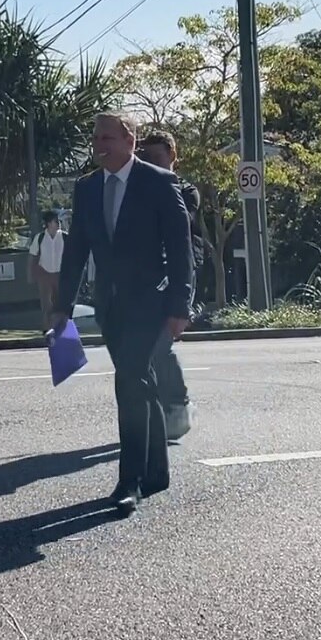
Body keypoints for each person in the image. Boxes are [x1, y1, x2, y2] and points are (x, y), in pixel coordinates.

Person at [51, 112, 194, 514]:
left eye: (108, 137)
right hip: (110, 306)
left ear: (129, 140)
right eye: (95, 137)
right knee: (140, 382)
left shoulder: (160, 182)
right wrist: (62, 306)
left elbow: (181, 249)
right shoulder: (87, 188)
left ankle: (129, 480)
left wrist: (181, 306)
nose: (100, 144)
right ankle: (157, 472)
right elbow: (76, 249)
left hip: (152, 303)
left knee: (129, 380)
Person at [137, 128, 201, 442]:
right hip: (150, 275)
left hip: (179, 274)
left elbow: (181, 228)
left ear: (172, 156)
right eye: (144, 156)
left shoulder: (185, 190)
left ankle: (178, 404)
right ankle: (160, 409)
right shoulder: (138, 190)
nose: (149, 162)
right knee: (146, 347)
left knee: (161, 342)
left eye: (156, 157)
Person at [29, 211, 66, 331]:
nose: (58, 223)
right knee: (46, 304)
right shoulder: (40, 238)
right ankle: (47, 329)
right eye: (56, 221)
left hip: (61, 275)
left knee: (61, 304)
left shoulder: (65, 237)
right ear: (49, 224)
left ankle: (61, 330)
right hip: (44, 274)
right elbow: (33, 257)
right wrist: (32, 274)